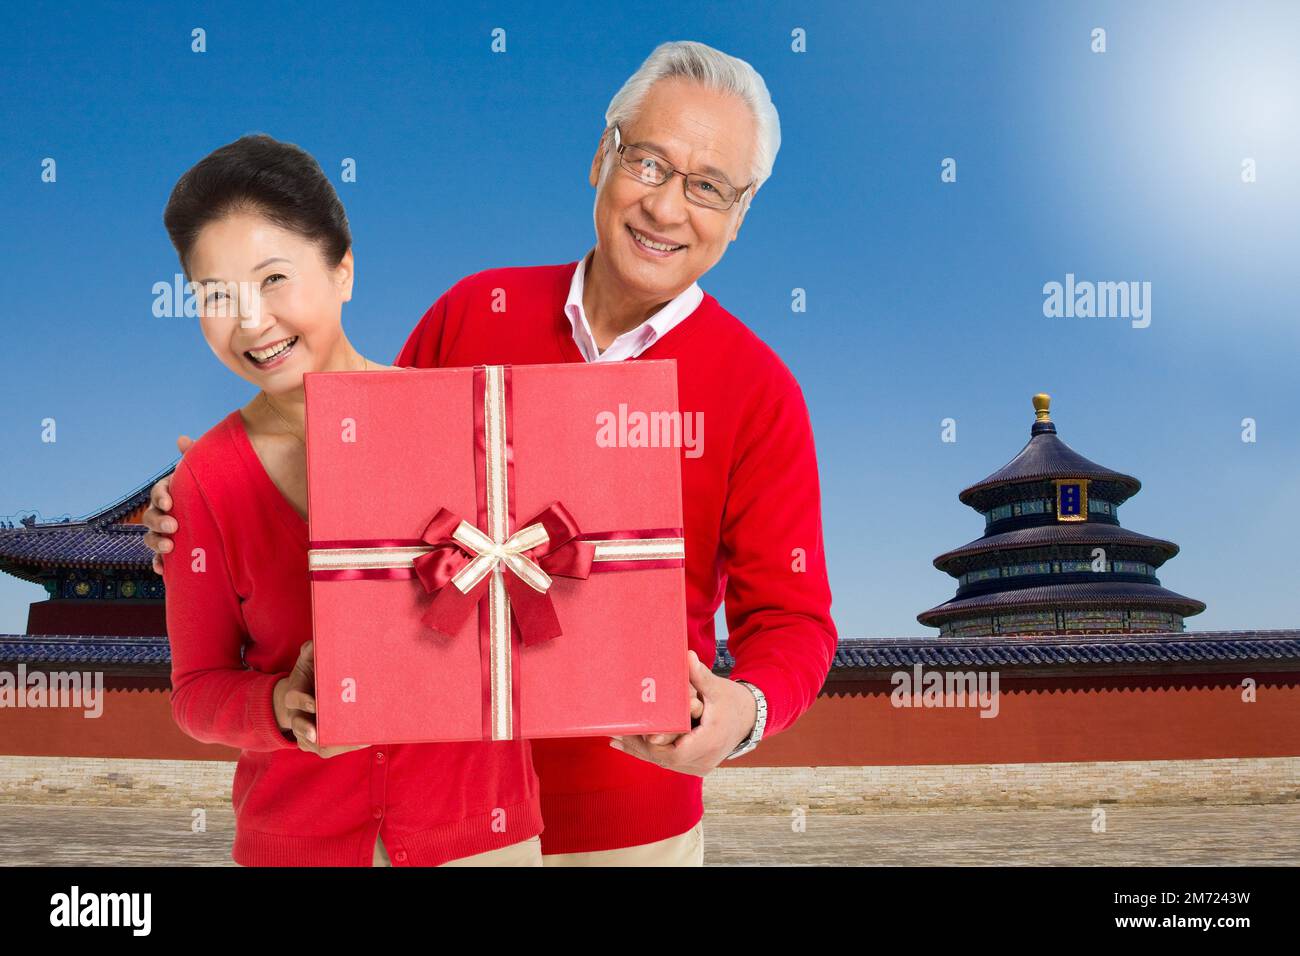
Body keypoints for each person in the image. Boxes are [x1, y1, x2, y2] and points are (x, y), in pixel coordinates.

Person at [147, 41, 837, 867]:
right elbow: (363, 494)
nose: (665, 208)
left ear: (741, 210)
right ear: (600, 155)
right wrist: (192, 513)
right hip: (445, 812)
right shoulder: (476, 311)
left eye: (707, 187)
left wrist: (747, 709)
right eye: (647, 163)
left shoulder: (759, 390)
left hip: (630, 819)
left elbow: (794, 618)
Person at [159, 133, 544, 866]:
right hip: (294, 844)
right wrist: (278, 707)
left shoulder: (469, 421)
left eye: (274, 278)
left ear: (343, 270)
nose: (250, 321)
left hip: (480, 839)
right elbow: (194, 691)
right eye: (216, 295)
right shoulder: (204, 483)